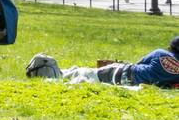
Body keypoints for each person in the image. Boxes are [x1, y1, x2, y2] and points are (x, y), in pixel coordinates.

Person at [29, 38, 179, 88]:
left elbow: (138, 63)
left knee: (85, 73)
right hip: (130, 82)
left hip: (120, 72)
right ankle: (50, 71)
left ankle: (45, 70)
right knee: (84, 74)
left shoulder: (159, 53)